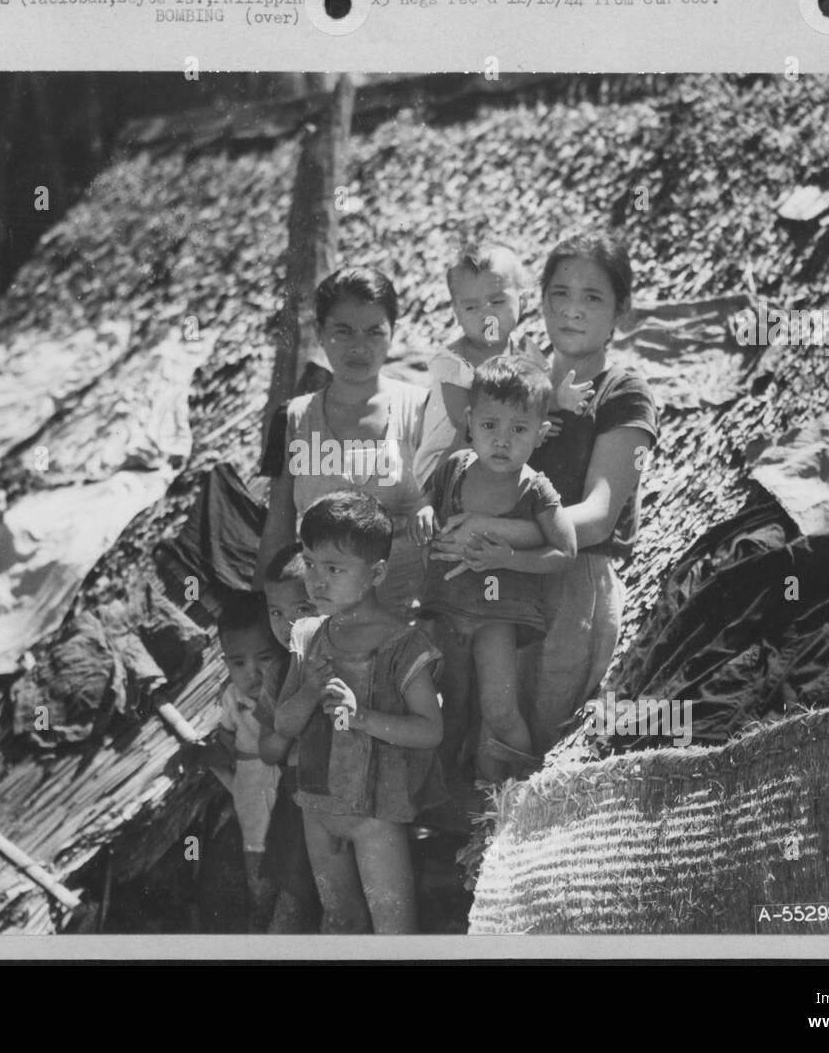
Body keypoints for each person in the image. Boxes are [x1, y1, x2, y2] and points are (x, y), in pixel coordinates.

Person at [431, 233, 659, 752]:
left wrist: (493, 529)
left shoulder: (623, 394)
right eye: (560, 293)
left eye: (593, 297)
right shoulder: (517, 383)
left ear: (621, 312)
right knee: (478, 722)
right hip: (494, 573)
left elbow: (600, 516)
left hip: (570, 579)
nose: (572, 310)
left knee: (534, 737)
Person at [274, 491, 444, 934]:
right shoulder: (309, 636)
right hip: (318, 810)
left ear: (377, 573)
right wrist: (310, 690)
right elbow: (284, 725)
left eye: (334, 569)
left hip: (376, 819)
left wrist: (363, 716)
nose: (317, 581)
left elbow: (430, 731)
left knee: (394, 931)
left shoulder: (401, 645)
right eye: (310, 563)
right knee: (339, 918)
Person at [412, 356, 577, 781]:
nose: (502, 441)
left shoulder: (535, 490)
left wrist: (509, 559)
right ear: (469, 422)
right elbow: (427, 500)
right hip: (448, 607)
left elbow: (567, 551)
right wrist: (424, 514)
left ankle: (525, 790)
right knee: (451, 703)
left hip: (495, 616)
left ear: (540, 434)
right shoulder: (455, 468)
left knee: (500, 710)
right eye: (490, 426)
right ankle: (452, 800)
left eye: (518, 430)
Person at [256, 267, 431, 617]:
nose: (359, 346)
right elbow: (277, 528)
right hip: (324, 615)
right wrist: (264, 610)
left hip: (410, 610)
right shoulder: (294, 420)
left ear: (392, 333)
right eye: (343, 331)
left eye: (374, 332)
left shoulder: (422, 410)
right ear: (320, 333)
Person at [412, 243, 589, 487]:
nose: (486, 315)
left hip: (501, 451)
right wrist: (537, 415)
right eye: (471, 307)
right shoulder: (453, 362)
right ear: (457, 313)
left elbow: (540, 391)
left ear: (523, 302)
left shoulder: (525, 350)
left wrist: (557, 400)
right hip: (450, 462)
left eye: (496, 302)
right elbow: (467, 423)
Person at [252, 543, 329, 933]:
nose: (288, 625)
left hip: (340, 796)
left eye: (302, 610)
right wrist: (288, 728)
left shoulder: (346, 661)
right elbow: (267, 749)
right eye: (276, 613)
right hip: (295, 797)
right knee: (286, 896)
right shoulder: (278, 673)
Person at [212, 599, 286, 931]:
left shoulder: (290, 696)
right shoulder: (231, 699)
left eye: (265, 659)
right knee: (258, 876)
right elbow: (225, 741)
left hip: (290, 802)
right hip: (253, 804)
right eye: (238, 663)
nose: (252, 673)